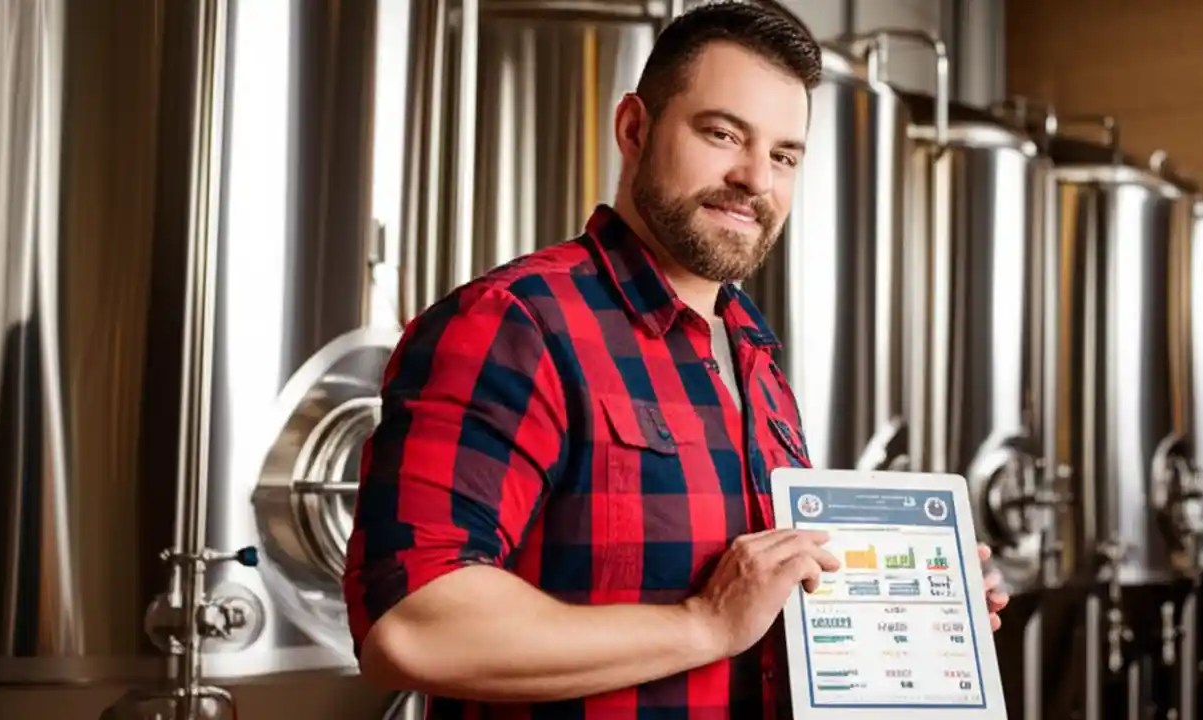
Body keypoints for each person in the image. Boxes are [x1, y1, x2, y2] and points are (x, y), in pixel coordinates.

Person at [342, 1, 1010, 718]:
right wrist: (702, 624)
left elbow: (756, 620)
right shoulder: (518, 324)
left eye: (784, 156)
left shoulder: (754, 355)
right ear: (635, 128)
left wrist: (907, 615)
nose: (755, 179)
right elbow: (414, 627)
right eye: (724, 134)